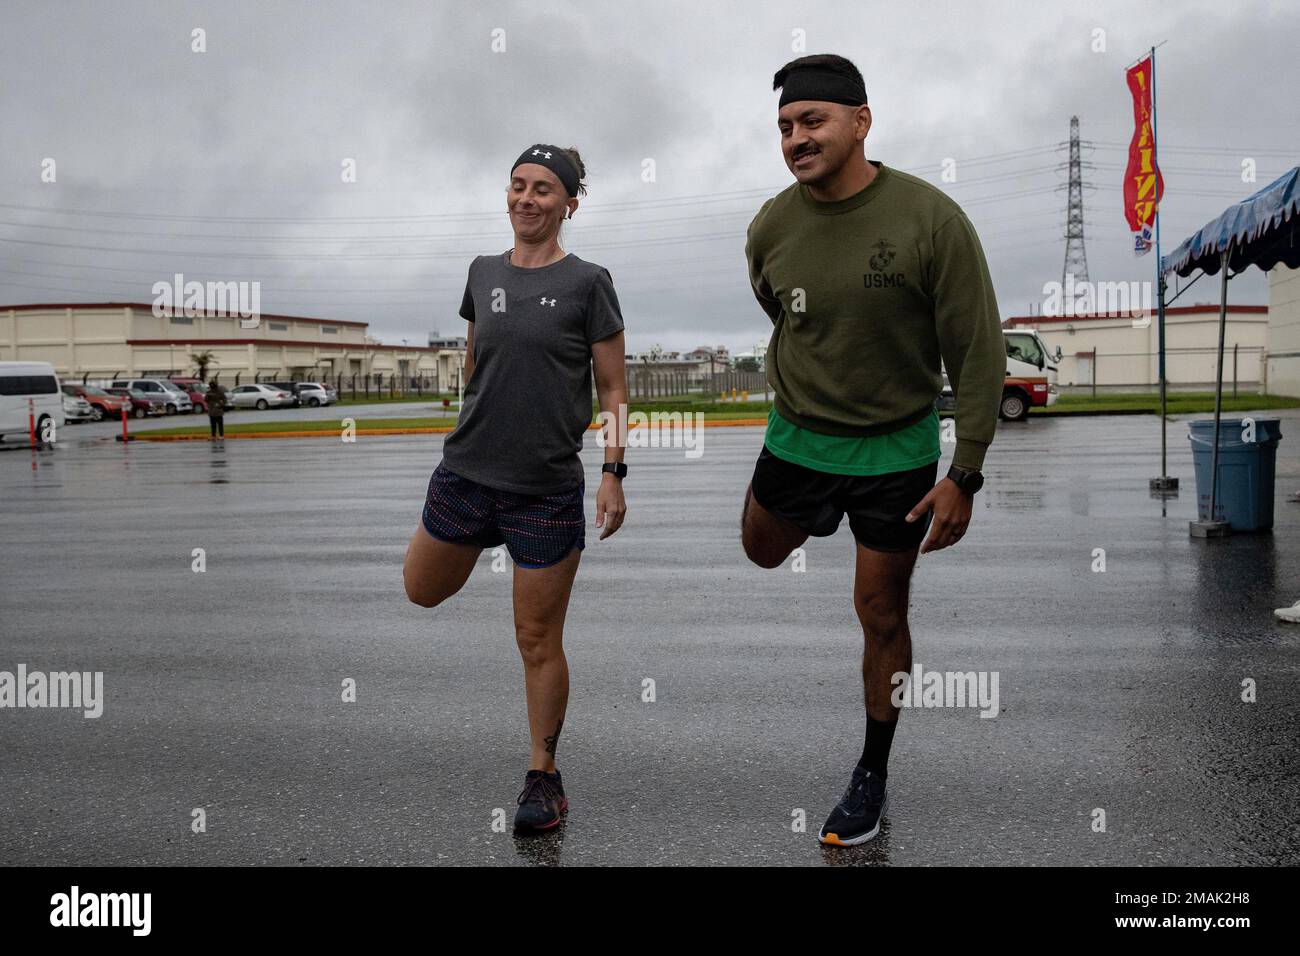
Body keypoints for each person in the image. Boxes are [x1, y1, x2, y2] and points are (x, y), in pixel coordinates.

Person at [741, 54, 1005, 845]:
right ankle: (821, 511)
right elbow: (780, 307)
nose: (796, 138)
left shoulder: (932, 221)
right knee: (759, 548)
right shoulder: (771, 226)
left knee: (880, 609)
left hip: (896, 448)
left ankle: (872, 773)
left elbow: (978, 351)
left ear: (861, 121)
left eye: (812, 121)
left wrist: (966, 473)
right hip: (799, 435)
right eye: (786, 126)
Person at [403, 144, 629, 834]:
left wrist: (615, 473)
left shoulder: (590, 282)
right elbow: (476, 358)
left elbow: (615, 386)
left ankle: (543, 777)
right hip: (466, 476)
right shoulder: (481, 272)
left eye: (542, 189)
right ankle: (480, 539)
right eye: (518, 186)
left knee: (536, 638)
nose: (526, 199)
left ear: (569, 205)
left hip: (545, 490)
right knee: (421, 588)